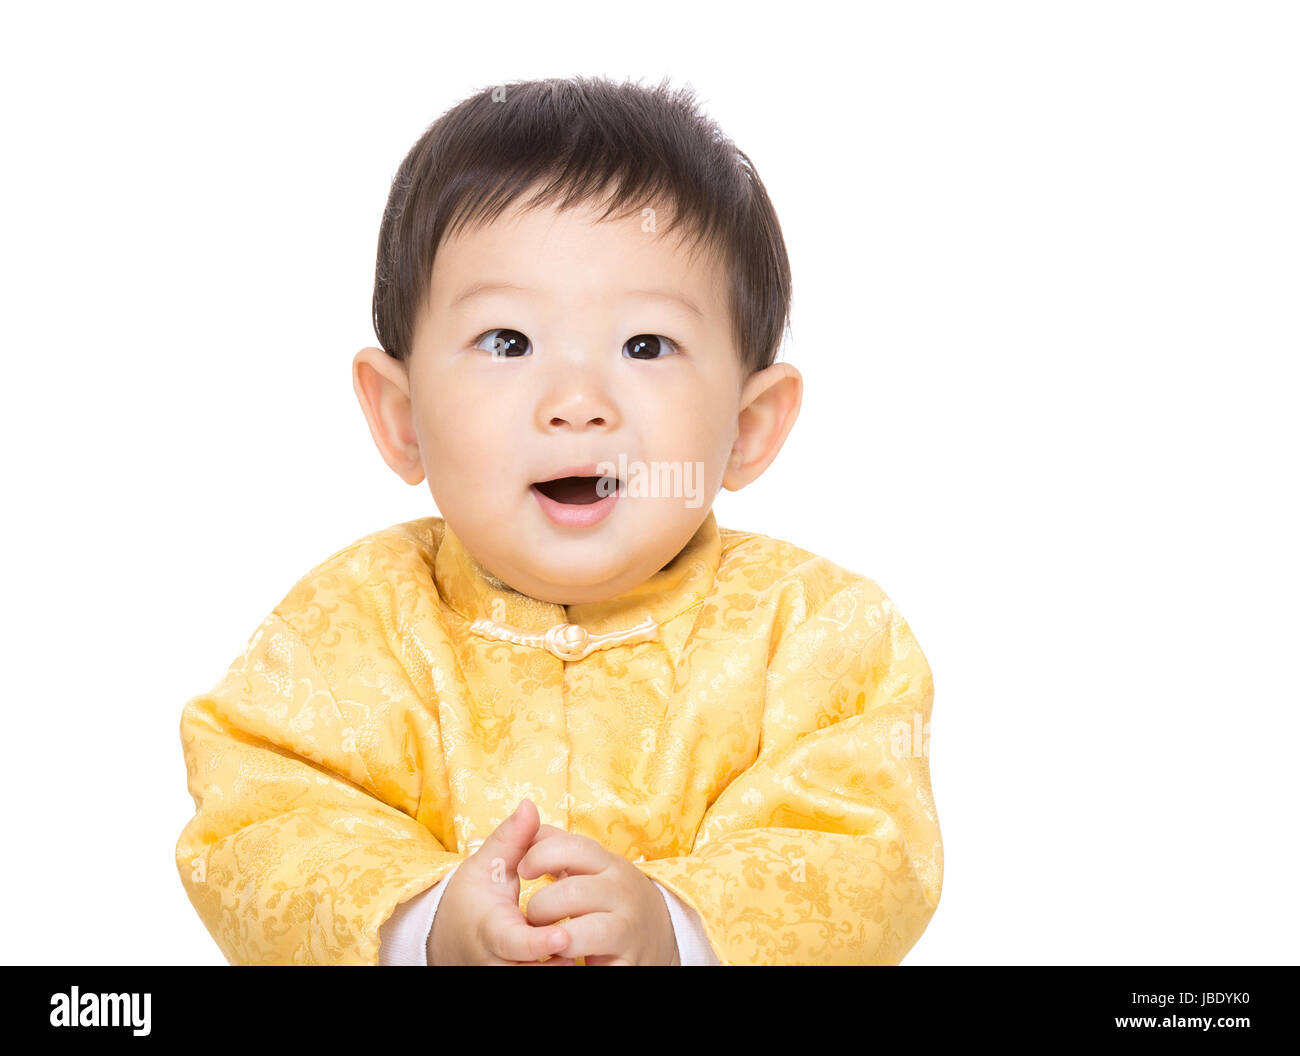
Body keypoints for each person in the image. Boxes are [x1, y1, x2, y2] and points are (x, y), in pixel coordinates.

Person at [174, 75, 942, 965]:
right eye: (508, 343)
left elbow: (869, 847)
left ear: (748, 427)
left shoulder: (820, 635)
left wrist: (679, 929)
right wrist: (422, 926)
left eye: (645, 345)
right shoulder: (348, 628)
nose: (577, 403)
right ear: (398, 414)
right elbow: (257, 814)